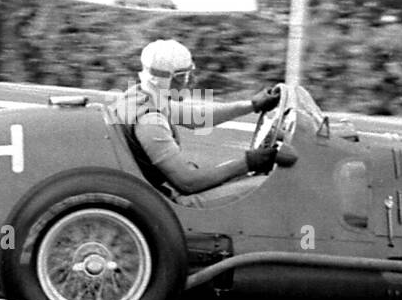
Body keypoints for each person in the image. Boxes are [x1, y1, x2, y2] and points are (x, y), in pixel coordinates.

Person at [107, 38, 283, 200]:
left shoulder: (138, 97)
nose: (191, 82)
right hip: (171, 200)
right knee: (267, 185)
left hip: (157, 192)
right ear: (165, 80)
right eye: (183, 76)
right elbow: (188, 183)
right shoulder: (150, 122)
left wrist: (253, 105)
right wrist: (249, 162)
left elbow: (199, 117)